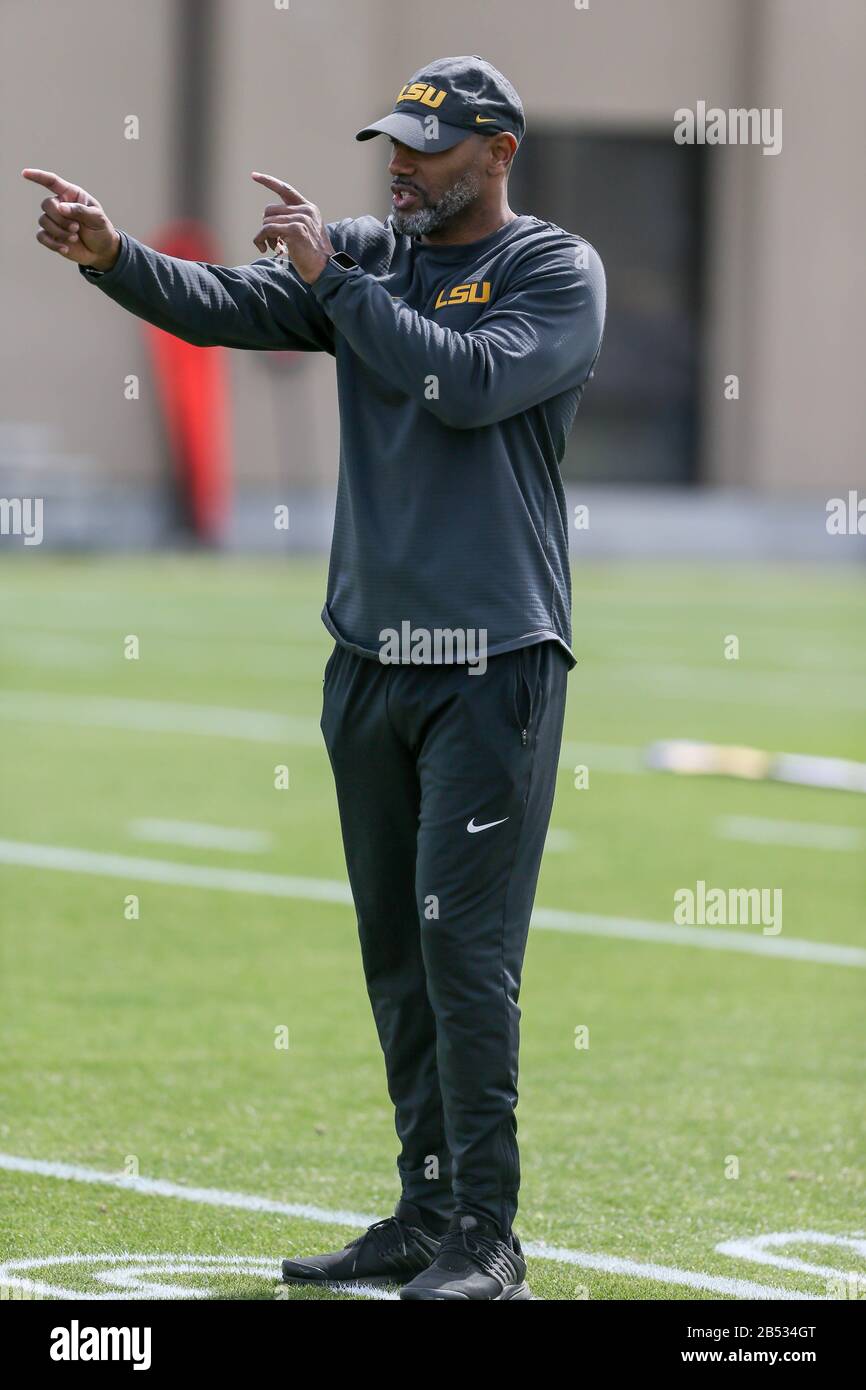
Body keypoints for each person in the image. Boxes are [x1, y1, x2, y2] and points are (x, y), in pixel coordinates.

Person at [22, 54, 605, 1301]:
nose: (399, 163)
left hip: (491, 662)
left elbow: (466, 386)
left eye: (429, 147)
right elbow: (225, 305)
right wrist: (112, 254)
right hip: (369, 663)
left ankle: (487, 1236)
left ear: (498, 153)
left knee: (464, 956)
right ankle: (423, 1207)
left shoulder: (555, 270)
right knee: (396, 950)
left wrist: (334, 282)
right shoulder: (367, 259)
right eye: (392, 141)